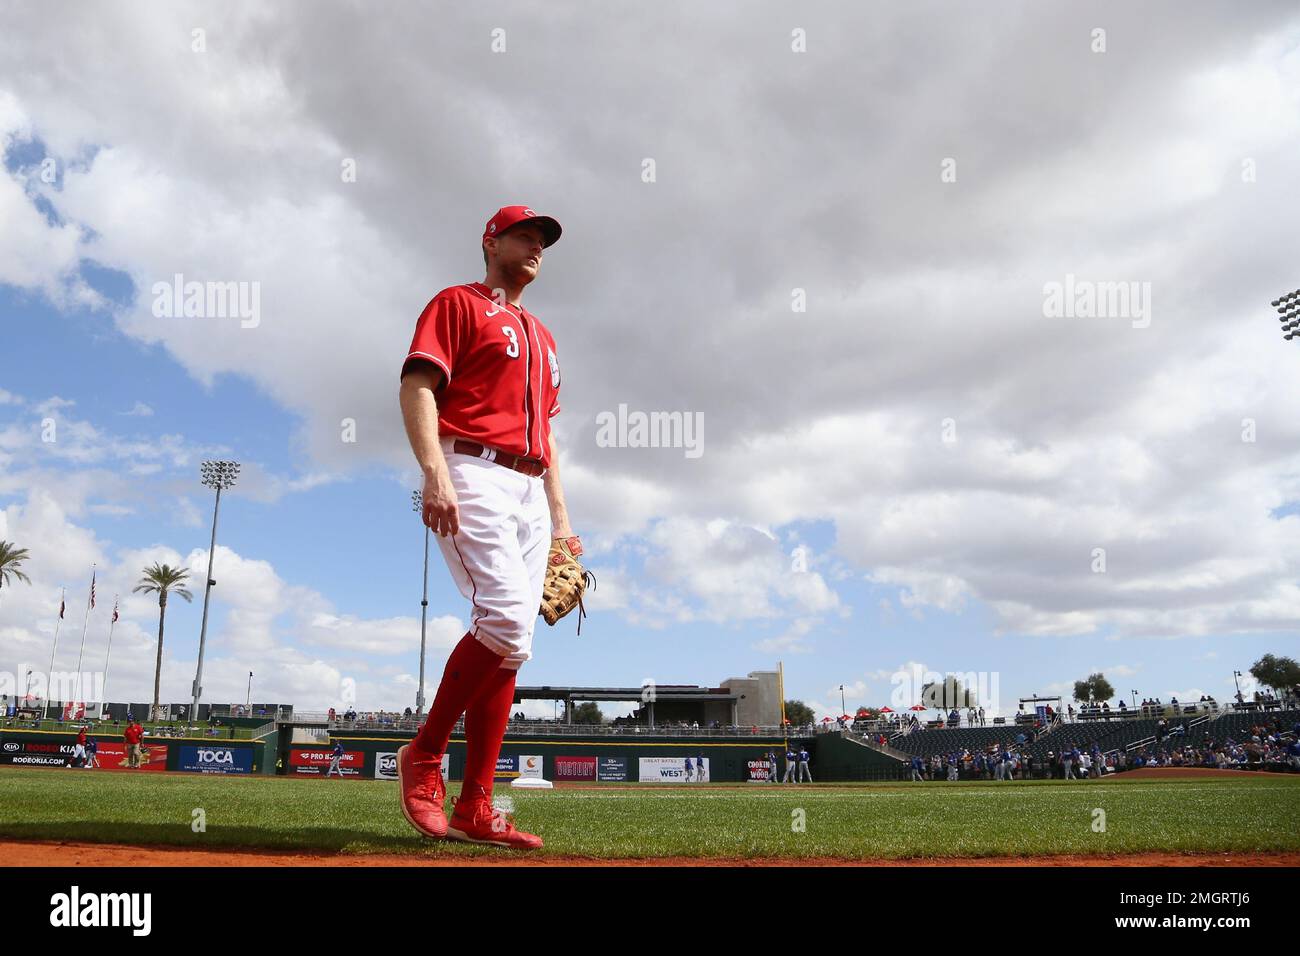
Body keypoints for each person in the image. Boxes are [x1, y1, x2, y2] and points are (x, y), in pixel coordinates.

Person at [396, 206, 570, 851]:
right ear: (490, 242)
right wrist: (434, 471)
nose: (534, 247)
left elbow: (549, 439)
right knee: (500, 619)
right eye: (524, 235)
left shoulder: (545, 337)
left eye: (542, 241)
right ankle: (424, 755)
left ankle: (475, 806)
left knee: (515, 642)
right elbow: (419, 386)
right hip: (472, 469)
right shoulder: (457, 303)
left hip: (529, 487)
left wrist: (563, 525)